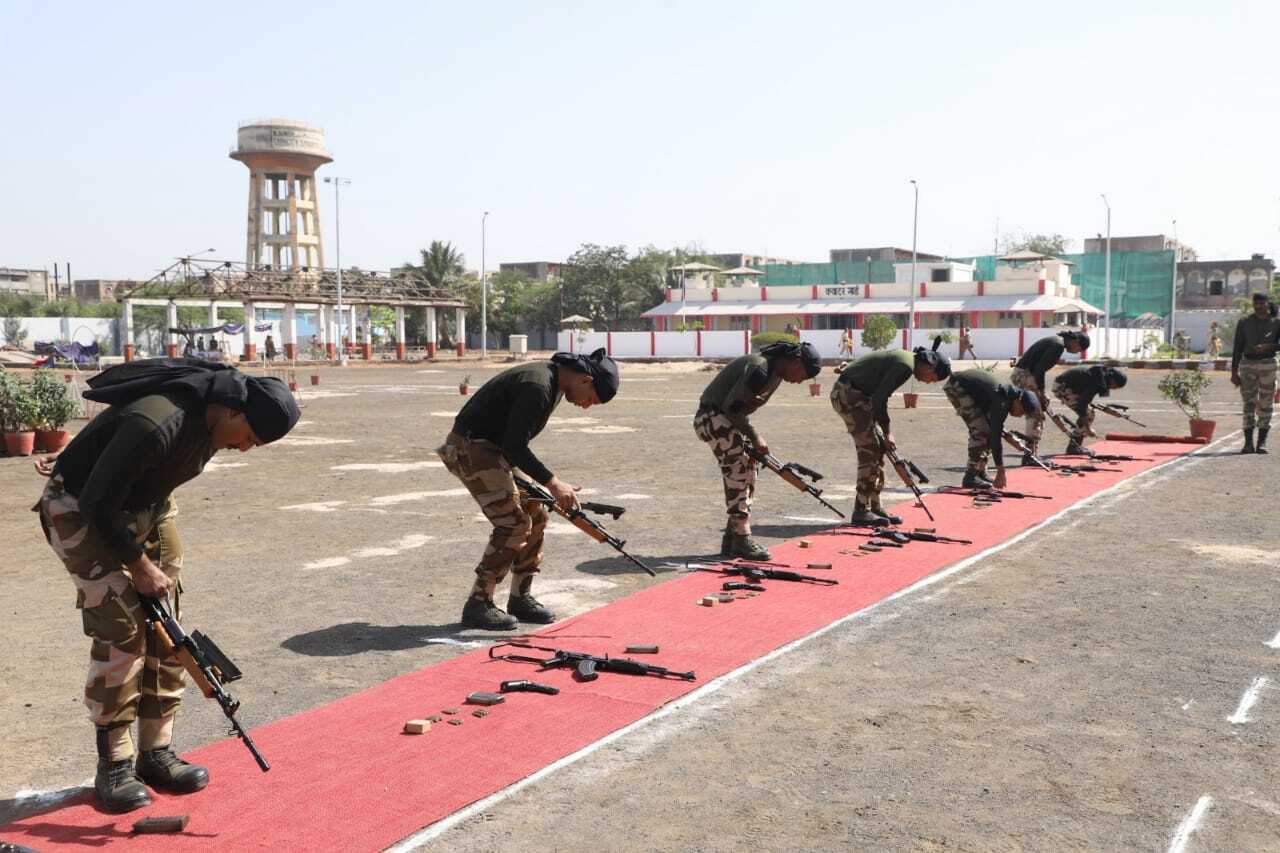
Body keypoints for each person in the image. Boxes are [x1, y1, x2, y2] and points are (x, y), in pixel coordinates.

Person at [33, 358, 299, 813]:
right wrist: (138, 565)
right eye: (249, 438)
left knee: (167, 628)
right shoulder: (158, 423)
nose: (245, 448)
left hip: (146, 505)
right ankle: (114, 765)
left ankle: (156, 752)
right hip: (80, 510)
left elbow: (121, 444)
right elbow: (97, 502)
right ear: (234, 412)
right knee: (122, 628)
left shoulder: (215, 418)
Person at [438, 348, 620, 630]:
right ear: (585, 380)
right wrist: (553, 482)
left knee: (536, 512)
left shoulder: (555, 383)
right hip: (470, 449)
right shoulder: (538, 385)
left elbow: (513, 444)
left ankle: (520, 597)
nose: (586, 406)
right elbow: (515, 445)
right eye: (591, 399)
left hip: (494, 451)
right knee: (513, 524)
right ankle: (478, 603)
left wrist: (547, 485)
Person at [694, 341, 820, 560]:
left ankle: (734, 537)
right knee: (738, 471)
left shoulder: (775, 374)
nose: (800, 381)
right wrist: (754, 436)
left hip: (727, 420)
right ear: (796, 363)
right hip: (712, 418)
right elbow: (732, 408)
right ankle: (742, 538)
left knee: (749, 470)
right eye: (803, 375)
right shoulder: (760, 369)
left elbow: (738, 410)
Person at [832, 338, 950, 524]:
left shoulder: (907, 360)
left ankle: (875, 507)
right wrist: (887, 432)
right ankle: (861, 510)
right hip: (850, 396)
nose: (928, 382)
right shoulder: (905, 366)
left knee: (879, 450)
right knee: (869, 451)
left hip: (858, 396)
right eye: (932, 379)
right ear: (930, 368)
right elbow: (880, 399)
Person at [943, 368, 1039, 489]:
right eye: (1022, 411)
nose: (1020, 415)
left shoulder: (1009, 396)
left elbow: (995, 427)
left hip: (966, 386)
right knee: (981, 431)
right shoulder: (1002, 400)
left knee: (987, 430)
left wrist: (1008, 436)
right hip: (957, 386)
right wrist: (1000, 470)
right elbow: (995, 435)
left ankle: (980, 472)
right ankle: (970, 476)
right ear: (1018, 401)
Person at [1008, 330, 1090, 462]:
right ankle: (1030, 456)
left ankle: (1031, 453)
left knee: (1036, 411)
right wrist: (1041, 393)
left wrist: (1041, 393)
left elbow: (1038, 369)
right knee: (1036, 414)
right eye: (1079, 349)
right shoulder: (1057, 346)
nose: (1077, 352)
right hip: (1025, 375)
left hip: (1024, 374)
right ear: (1075, 341)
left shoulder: (1056, 342)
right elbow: (1039, 370)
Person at [1231, 293, 1280, 453]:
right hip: (1248, 365)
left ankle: (1262, 443)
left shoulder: (1276, 322)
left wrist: (1270, 347)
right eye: (1255, 303)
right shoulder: (1245, 322)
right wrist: (1234, 372)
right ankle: (1248, 443)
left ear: (1268, 303)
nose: (1258, 306)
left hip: (1268, 364)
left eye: (1261, 303)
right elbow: (1237, 347)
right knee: (1248, 403)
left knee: (1266, 402)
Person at [1051, 365, 1128, 454]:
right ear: (1112, 380)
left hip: (1067, 386)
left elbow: (1087, 400)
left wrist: (1113, 412)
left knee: (1088, 412)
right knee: (1088, 414)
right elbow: (1082, 406)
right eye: (1115, 386)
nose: (1113, 389)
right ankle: (1074, 448)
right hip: (1062, 388)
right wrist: (1088, 429)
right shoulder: (1096, 382)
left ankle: (1076, 445)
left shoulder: (1100, 375)